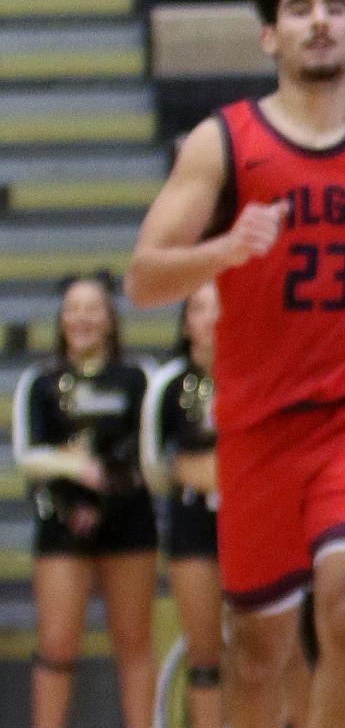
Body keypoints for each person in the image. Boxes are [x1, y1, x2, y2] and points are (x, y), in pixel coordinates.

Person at [126, 0, 345, 728]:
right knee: (257, 651)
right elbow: (143, 277)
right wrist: (224, 250)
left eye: (335, 8)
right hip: (258, 426)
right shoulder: (223, 142)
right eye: (299, 9)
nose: (319, 22)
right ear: (268, 37)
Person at [14, 271, 158, 728]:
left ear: (111, 318)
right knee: (56, 645)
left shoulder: (139, 376)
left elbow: (150, 452)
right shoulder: (39, 382)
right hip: (63, 522)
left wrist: (109, 479)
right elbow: (28, 455)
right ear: (60, 320)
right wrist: (77, 469)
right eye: (72, 309)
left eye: (92, 308)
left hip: (128, 520)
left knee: (134, 643)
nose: (82, 318)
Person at [141, 281, 224, 728]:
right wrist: (189, 472)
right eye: (199, 308)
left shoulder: (258, 374)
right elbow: (154, 463)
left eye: (220, 307)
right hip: (193, 523)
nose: (211, 317)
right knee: (205, 655)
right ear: (186, 320)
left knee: (267, 647)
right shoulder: (168, 385)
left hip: (253, 523)